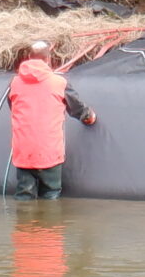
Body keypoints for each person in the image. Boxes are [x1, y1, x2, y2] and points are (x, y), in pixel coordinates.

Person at [6, 41, 96, 200]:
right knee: (50, 196)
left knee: (24, 198)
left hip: (23, 152)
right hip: (49, 152)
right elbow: (77, 109)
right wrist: (89, 117)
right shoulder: (59, 83)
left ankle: (24, 224)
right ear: (48, 60)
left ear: (28, 58)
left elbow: (12, 107)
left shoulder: (14, 83)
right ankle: (48, 223)